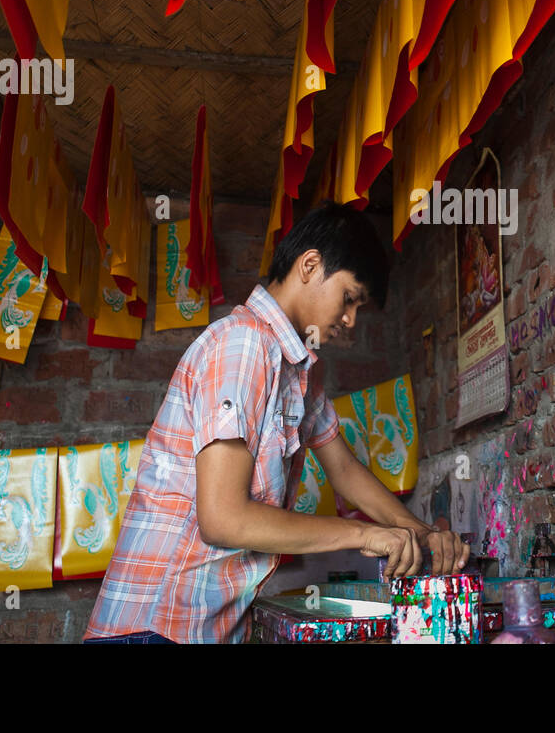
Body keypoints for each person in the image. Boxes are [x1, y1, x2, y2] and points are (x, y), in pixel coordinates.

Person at [84, 201, 468, 643]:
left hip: (202, 630)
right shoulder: (244, 345)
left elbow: (344, 471)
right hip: (152, 628)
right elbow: (223, 519)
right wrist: (365, 534)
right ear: (309, 265)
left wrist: (421, 535)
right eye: (348, 299)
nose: (351, 321)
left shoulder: (301, 372)